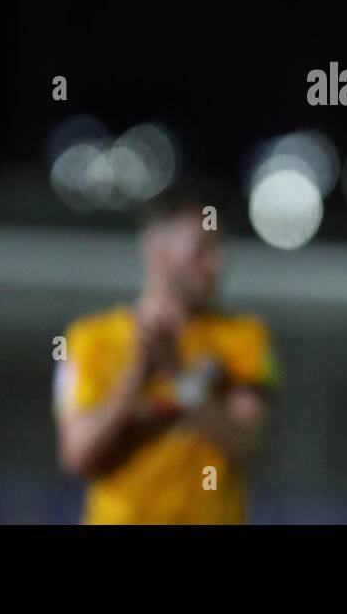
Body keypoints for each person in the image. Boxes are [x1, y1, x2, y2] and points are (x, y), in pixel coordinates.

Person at [55, 180, 277, 523]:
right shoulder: (90, 339)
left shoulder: (245, 338)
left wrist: (177, 375)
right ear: (155, 248)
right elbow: (77, 456)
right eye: (203, 248)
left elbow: (245, 446)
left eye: (221, 248)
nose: (217, 263)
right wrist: (134, 381)